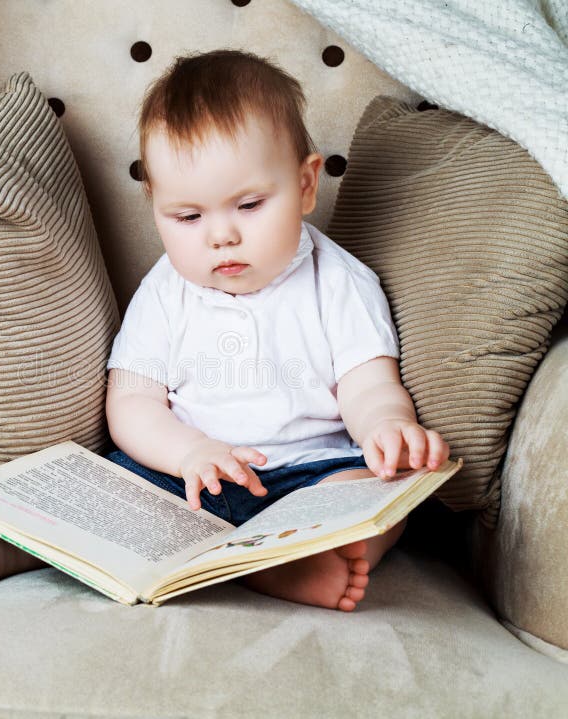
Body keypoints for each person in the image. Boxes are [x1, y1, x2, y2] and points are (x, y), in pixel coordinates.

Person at [102, 49, 450, 611]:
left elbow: (369, 384)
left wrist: (387, 427)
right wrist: (190, 452)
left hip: (310, 477)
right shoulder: (165, 289)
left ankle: (309, 555)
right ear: (155, 206)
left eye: (249, 205)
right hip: (192, 481)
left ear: (306, 184)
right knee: (115, 491)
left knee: (383, 494)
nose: (221, 236)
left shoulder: (338, 282)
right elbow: (131, 402)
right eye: (188, 217)